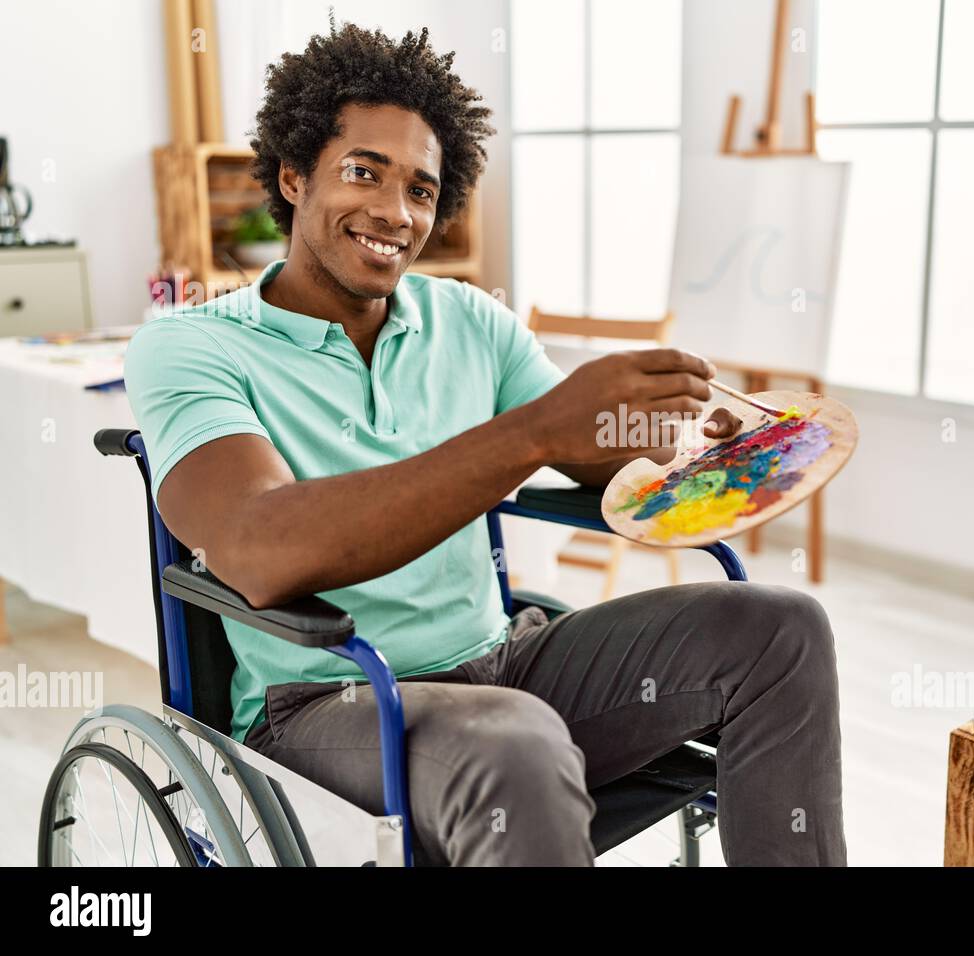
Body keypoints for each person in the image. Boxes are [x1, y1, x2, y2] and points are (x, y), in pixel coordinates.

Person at [125, 19, 846, 866]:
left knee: (781, 628)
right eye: (364, 172)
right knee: (516, 742)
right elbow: (260, 547)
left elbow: (597, 451)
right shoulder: (193, 347)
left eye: (422, 191)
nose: (395, 213)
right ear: (293, 176)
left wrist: (689, 440)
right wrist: (533, 430)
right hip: (332, 702)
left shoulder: (466, 318)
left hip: (504, 662)